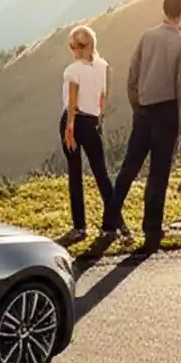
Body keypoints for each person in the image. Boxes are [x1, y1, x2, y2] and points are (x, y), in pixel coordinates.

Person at [106, 0, 181, 252]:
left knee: (129, 167)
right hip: (166, 114)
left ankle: (109, 221)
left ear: (164, 10)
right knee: (158, 174)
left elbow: (132, 76)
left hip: (143, 111)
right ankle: (152, 233)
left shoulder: (146, 37)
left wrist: (138, 106)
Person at [58, 24, 114, 243]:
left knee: (76, 174)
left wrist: (69, 129)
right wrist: (98, 119)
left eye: (80, 46)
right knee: (101, 171)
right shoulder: (102, 66)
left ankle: (80, 228)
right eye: (73, 46)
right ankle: (112, 224)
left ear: (90, 44)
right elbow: (102, 96)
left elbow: (72, 100)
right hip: (91, 122)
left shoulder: (72, 70)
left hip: (73, 121)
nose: (76, 51)